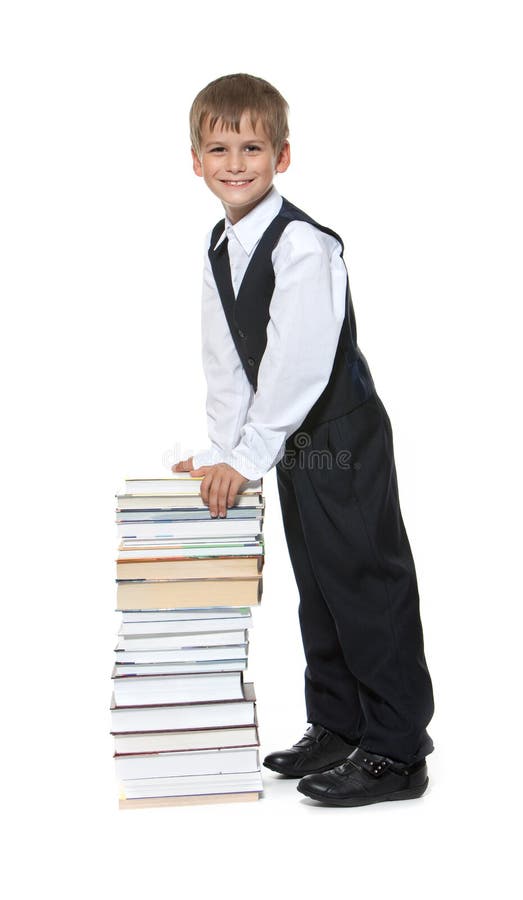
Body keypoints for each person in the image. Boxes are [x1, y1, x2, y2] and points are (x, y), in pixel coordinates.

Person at [173, 73, 435, 807]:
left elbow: (296, 366)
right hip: (289, 442)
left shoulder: (302, 247)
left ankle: (395, 750)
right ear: (195, 160)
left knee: (364, 582)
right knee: (317, 585)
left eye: (252, 146)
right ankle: (338, 723)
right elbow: (224, 359)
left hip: (338, 437)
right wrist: (228, 452)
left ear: (282, 156)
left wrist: (250, 454)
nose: (234, 162)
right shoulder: (220, 245)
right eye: (218, 148)